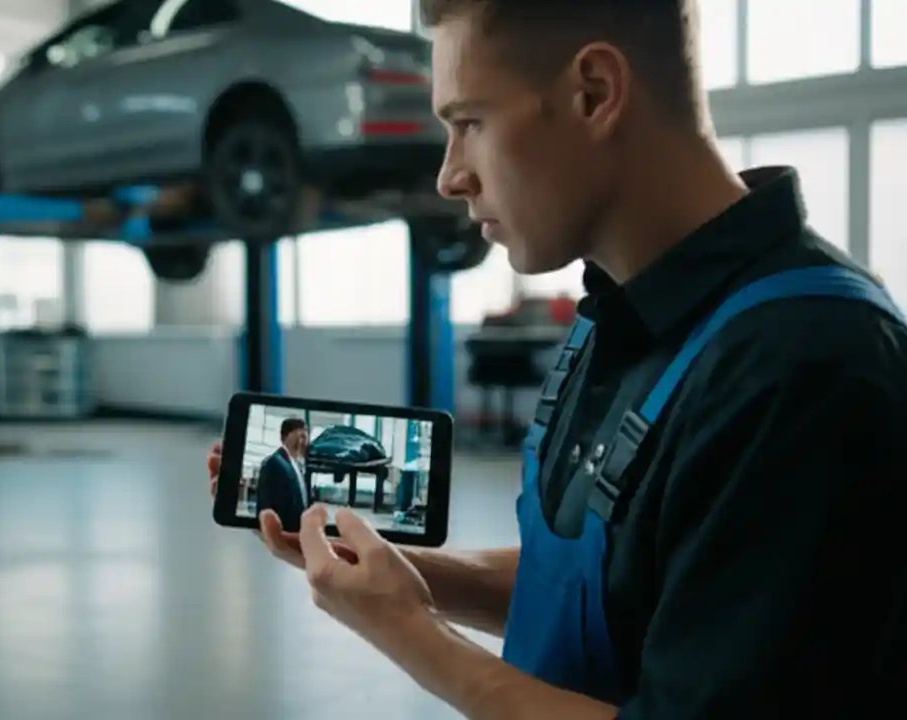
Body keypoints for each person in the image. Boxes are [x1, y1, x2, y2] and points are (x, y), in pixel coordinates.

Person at [208, 0, 907, 717]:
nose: (449, 176)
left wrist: (409, 633)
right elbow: (610, 592)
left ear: (594, 93)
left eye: (469, 123)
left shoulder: (810, 367)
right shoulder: (619, 313)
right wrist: (395, 572)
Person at [254, 417, 312, 533]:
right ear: (284, 437)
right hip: (284, 532)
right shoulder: (274, 463)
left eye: (305, 437)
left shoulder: (296, 465)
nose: (303, 442)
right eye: (299, 437)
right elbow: (266, 504)